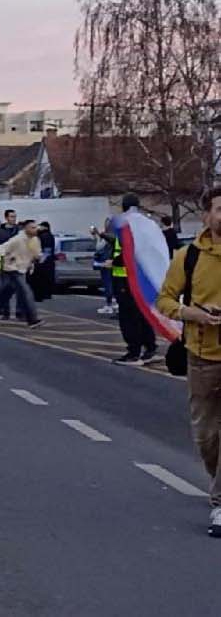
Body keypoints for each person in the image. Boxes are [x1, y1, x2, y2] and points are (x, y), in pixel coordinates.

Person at [154, 187, 221, 537]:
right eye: (220, 209)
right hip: (202, 355)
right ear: (207, 215)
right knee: (207, 435)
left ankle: (220, 502)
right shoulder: (189, 256)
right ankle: (216, 479)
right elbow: (164, 300)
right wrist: (194, 313)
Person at [112, 193, 159, 365]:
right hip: (139, 277)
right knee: (141, 313)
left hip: (125, 278)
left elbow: (128, 251)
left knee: (128, 316)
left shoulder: (126, 225)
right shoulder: (145, 225)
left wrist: (114, 261)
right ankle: (150, 348)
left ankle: (134, 352)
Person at [0, 220, 44, 328]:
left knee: (7, 292)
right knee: (26, 292)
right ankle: (32, 319)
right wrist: (6, 256)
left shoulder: (35, 240)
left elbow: (37, 254)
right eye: (32, 228)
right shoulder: (17, 239)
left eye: (36, 227)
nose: (35, 230)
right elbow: (1, 249)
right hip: (13, 269)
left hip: (23, 268)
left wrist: (37, 258)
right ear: (26, 229)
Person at [94, 221, 117, 315]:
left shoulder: (110, 237)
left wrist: (99, 235)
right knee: (112, 285)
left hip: (107, 263)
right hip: (111, 263)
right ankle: (113, 304)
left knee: (108, 284)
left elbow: (99, 247)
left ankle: (109, 305)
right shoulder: (114, 236)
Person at [32, 221, 57, 301]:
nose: (39, 228)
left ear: (45, 227)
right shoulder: (47, 235)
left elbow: (46, 250)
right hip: (47, 261)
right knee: (45, 279)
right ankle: (45, 294)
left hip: (44, 261)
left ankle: (42, 295)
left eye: (41, 226)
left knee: (41, 279)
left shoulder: (45, 236)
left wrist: (41, 260)